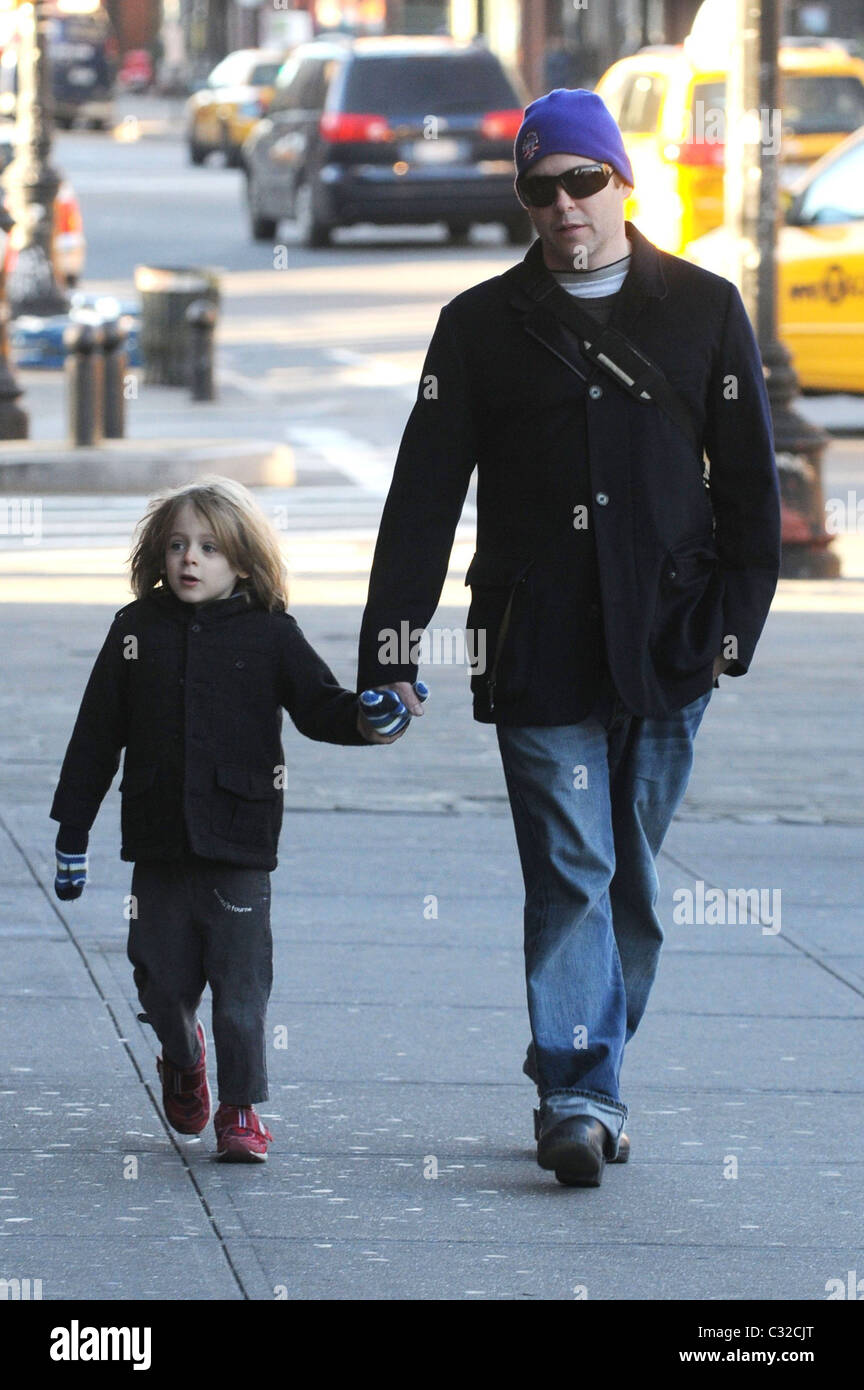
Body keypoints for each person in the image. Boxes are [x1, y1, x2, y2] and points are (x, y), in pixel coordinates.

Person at [357, 89, 781, 1187]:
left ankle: (594, 1065)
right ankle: (579, 1092)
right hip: (534, 643)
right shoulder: (479, 326)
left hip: (668, 644)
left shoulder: (702, 309)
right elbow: (421, 501)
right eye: (540, 190)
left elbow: (748, 493)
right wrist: (390, 654)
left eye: (583, 181)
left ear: (621, 182)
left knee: (630, 876)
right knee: (572, 867)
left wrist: (731, 632)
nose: (564, 207)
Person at [50, 476, 424, 1163]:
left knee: (240, 988)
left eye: (210, 548)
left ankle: (241, 1109)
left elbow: (321, 708)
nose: (190, 560)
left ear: (244, 562)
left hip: (241, 843)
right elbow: (96, 737)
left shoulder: (272, 634)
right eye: (177, 545)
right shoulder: (135, 631)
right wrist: (72, 835)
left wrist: (372, 720)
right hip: (159, 843)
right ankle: (182, 1054)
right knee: (157, 980)